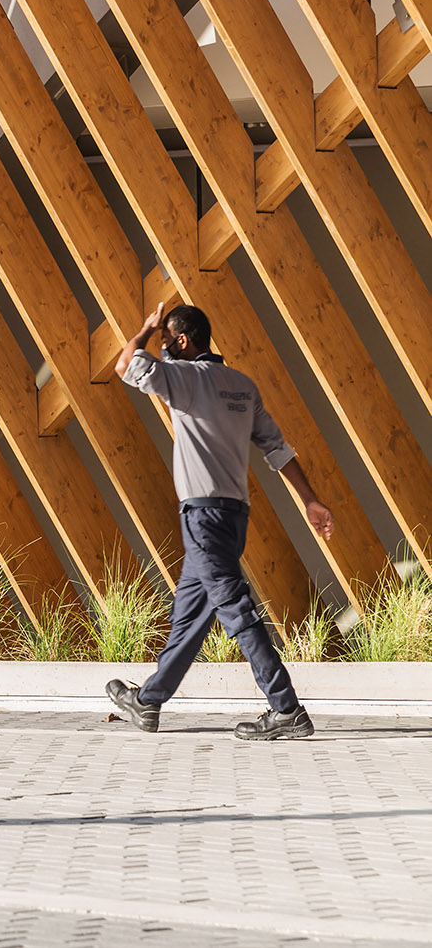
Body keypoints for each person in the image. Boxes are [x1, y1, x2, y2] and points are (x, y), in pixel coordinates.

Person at [106, 302, 332, 741]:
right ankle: (148, 701)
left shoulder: (185, 378)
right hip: (233, 516)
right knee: (190, 617)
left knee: (236, 610)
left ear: (182, 341)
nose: (163, 348)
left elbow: (125, 365)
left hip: (202, 518)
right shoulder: (243, 387)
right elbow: (277, 449)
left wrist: (147, 329)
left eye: (168, 341)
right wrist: (310, 499)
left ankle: (286, 708)